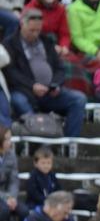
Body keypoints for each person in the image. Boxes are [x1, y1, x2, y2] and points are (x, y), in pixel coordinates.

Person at [3, 9, 87, 138]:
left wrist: (55, 84)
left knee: (79, 99)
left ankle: (70, 141)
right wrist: (32, 86)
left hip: (49, 91)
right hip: (24, 90)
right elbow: (11, 73)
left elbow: (60, 68)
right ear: (22, 24)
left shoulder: (47, 41)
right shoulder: (9, 44)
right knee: (18, 101)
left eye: (38, 30)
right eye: (32, 30)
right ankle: (38, 135)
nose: (35, 34)